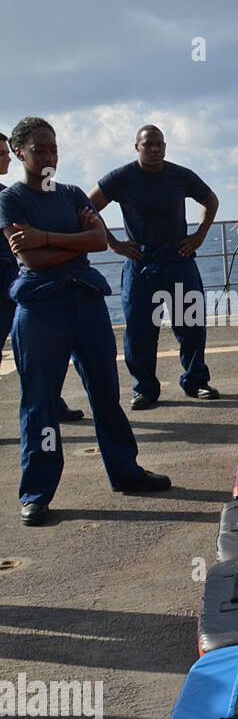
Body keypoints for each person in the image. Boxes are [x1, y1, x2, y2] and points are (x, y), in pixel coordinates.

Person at [0, 118, 171, 526]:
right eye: (39, 149)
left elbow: (99, 241)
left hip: (86, 303)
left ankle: (126, 472)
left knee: (106, 393)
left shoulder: (73, 194)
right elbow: (32, 261)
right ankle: (37, 493)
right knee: (39, 402)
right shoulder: (12, 200)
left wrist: (43, 237)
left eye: (53, 148)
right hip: (41, 309)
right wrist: (65, 244)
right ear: (20, 152)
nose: (48, 157)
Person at [88, 125, 221, 409]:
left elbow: (210, 200)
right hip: (141, 263)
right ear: (136, 146)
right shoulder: (121, 177)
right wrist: (113, 243)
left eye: (159, 144)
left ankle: (196, 381)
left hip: (178, 259)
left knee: (192, 325)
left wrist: (199, 235)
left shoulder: (179, 175)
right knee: (139, 330)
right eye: (148, 144)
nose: (155, 149)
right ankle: (145, 388)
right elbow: (88, 207)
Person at [0, 131, 81, 422]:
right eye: (2, 153)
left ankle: (52, 404)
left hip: (19, 281)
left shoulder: (10, 196)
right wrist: (77, 247)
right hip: (9, 282)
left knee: (38, 353)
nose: (7, 156)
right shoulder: (8, 199)